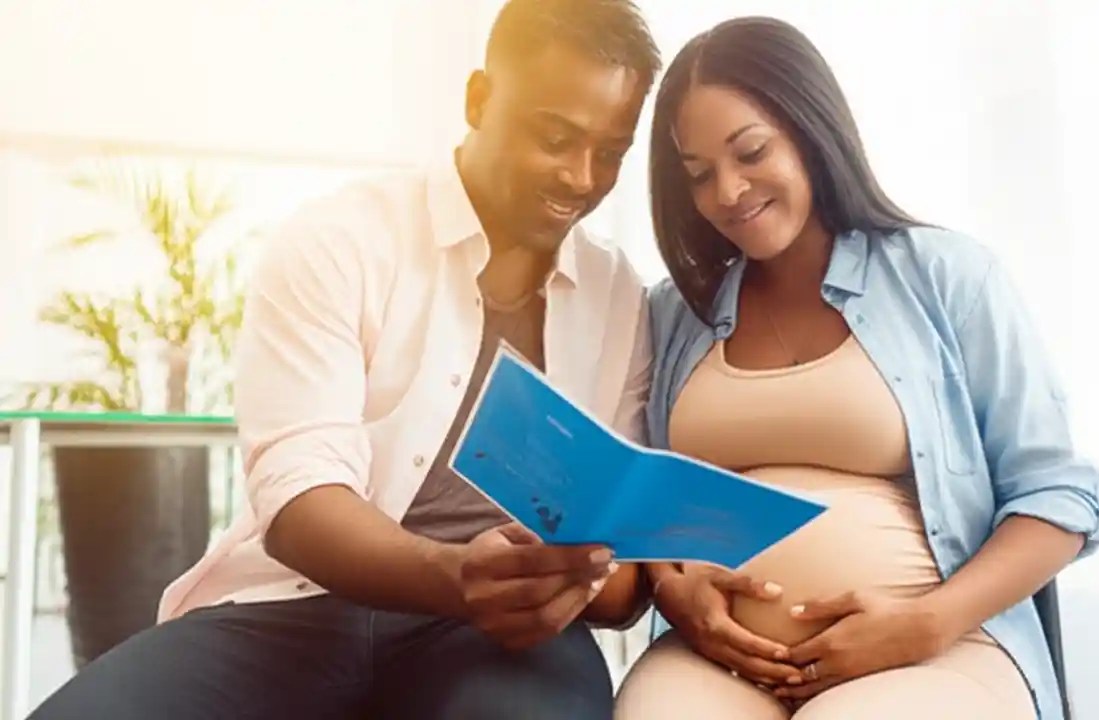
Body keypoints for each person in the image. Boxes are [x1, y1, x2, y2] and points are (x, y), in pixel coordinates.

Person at [30, 1, 661, 718]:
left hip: (501, 642)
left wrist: (580, 578)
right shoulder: (342, 241)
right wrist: (456, 575)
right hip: (295, 608)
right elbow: (299, 502)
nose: (582, 177)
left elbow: (623, 574)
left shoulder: (618, 297)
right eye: (555, 138)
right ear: (478, 100)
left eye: (610, 151)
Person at [613, 16, 1099, 720]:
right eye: (699, 174)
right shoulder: (673, 314)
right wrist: (673, 589)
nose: (728, 191)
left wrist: (928, 622)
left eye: (750, 152)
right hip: (719, 664)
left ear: (810, 129)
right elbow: (644, 495)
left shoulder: (946, 276)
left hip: (938, 650)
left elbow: (1061, 497)